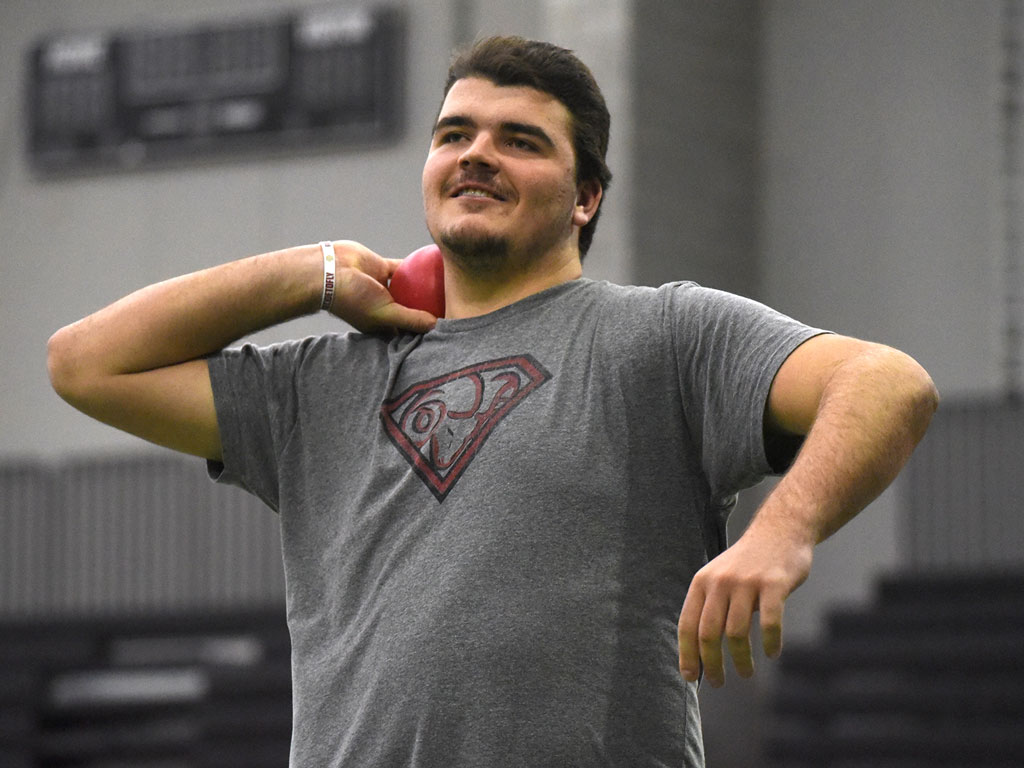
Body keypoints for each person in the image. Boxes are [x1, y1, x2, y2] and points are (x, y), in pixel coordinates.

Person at [47, 35, 938, 768]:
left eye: (521, 139)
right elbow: (85, 364)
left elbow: (888, 382)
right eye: (454, 135)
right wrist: (315, 273)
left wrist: (782, 533)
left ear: (586, 197)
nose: (476, 153)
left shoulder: (664, 338)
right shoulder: (321, 383)